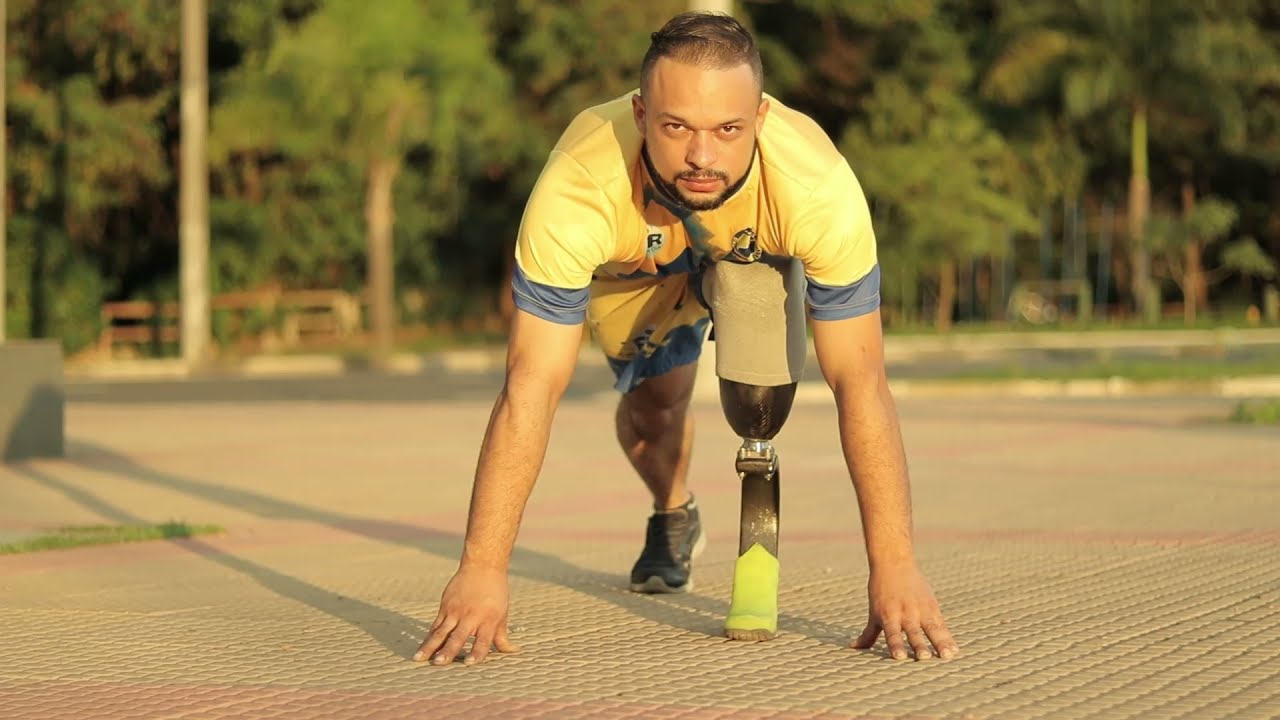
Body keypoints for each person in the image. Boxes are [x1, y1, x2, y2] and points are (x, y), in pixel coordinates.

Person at [414, 11, 959, 666]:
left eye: (728, 130)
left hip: (748, 261)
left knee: (758, 314)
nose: (702, 156)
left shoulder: (816, 189)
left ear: (758, 119)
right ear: (642, 116)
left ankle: (754, 434)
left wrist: (895, 566)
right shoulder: (577, 190)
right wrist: (482, 570)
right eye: (677, 128)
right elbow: (530, 386)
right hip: (636, 274)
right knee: (652, 414)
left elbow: (860, 380)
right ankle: (675, 509)